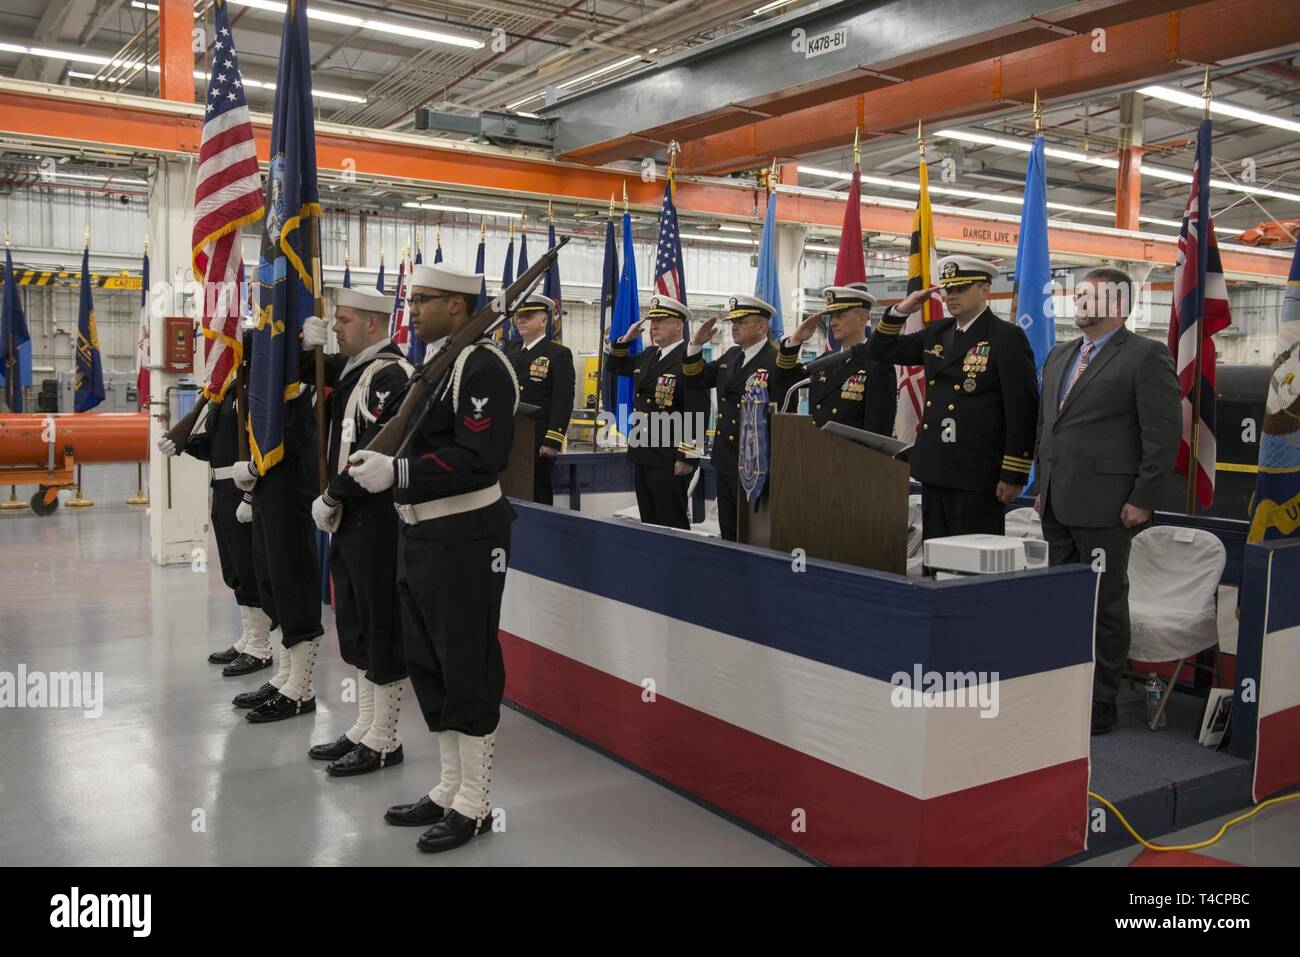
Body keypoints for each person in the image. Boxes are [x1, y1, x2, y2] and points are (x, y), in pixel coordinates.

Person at [349, 261, 518, 854]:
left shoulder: (482, 364)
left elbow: (479, 457)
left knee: (466, 662)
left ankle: (476, 802)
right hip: (418, 533)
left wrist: (399, 471)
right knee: (430, 664)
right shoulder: (434, 365)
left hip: (467, 535)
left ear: (459, 305)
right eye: (411, 299)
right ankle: (449, 787)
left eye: (425, 300)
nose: (413, 309)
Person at [1034, 267, 1181, 735]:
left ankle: (1100, 701)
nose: (1076, 302)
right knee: (1060, 600)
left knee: (1105, 604)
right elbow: (1049, 427)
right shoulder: (1059, 355)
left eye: (1087, 296)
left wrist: (1143, 498)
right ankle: (1062, 687)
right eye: (1076, 295)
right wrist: (1042, 486)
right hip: (1056, 500)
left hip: (1109, 505)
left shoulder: (1145, 356)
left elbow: (1162, 435)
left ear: (1118, 304)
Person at [300, 286, 413, 773]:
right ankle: (366, 726)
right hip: (350, 518)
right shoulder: (353, 371)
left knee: (380, 624)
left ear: (373, 324)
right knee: (357, 625)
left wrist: (335, 494)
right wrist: (308, 350)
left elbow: (374, 449)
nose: (336, 328)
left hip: (377, 518)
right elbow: (311, 385)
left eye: (343, 320)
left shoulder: (390, 374)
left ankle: (386, 737)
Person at [868, 255, 1039, 540]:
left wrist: (1013, 473)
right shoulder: (938, 331)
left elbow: (1022, 408)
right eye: (948, 289)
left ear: (984, 290)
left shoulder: (1006, 337)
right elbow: (880, 351)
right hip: (935, 466)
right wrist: (900, 311)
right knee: (935, 552)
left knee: (971, 559)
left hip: (977, 471)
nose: (952, 296)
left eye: (961, 288)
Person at [228, 332, 324, 722]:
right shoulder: (265, 389)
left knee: (291, 582)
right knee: (270, 579)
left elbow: (304, 437)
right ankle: (285, 675)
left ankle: (301, 686)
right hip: (270, 486)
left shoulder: (298, 386)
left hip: (293, 487)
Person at [157, 373, 273, 677]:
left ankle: (261, 646)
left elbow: (262, 442)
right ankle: (248, 637)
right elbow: (215, 444)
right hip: (221, 488)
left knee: (249, 569)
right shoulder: (225, 391)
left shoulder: (256, 388)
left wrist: (251, 494)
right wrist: (183, 444)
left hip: (243, 487)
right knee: (234, 570)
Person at [681, 295, 800, 541]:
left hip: (757, 464)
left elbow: (786, 411)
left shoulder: (777, 361)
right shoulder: (731, 356)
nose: (734, 326)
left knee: (754, 535)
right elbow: (696, 380)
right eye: (733, 321)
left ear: (761, 327)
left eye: (742, 321)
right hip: (726, 459)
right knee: (728, 530)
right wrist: (695, 346)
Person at [606, 295, 704, 529]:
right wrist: (625, 340)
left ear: (679, 325)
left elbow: (697, 409)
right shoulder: (649, 355)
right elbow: (615, 365)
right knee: (649, 522)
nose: (654, 326)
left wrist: (687, 456)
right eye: (652, 321)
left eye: (661, 320)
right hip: (643, 451)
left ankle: (678, 566)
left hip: (670, 457)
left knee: (672, 522)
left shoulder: (689, 359)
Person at [776, 284, 896, 433]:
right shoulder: (826, 361)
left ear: (862, 318)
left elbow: (878, 431)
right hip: (819, 451)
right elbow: (784, 380)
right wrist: (795, 340)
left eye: (840, 316)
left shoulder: (877, 364)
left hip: (852, 454)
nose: (832, 322)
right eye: (831, 316)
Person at [503, 294, 575, 505]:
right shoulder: (510, 350)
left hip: (537, 439)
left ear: (544, 320)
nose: (520, 320)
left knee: (537, 495)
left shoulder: (557, 354)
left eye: (527, 315)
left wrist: (553, 439)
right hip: (510, 436)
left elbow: (563, 400)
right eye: (518, 315)